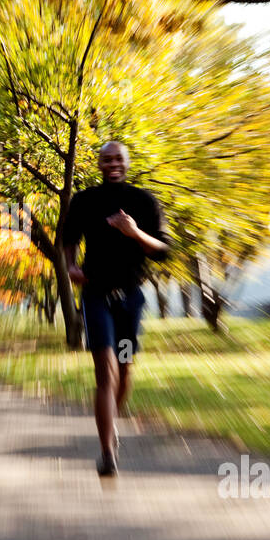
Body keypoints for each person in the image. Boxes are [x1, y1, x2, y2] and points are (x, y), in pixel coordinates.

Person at [62, 141, 170, 477]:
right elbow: (67, 239)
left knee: (124, 368)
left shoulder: (144, 201)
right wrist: (70, 266)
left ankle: (112, 423)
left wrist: (134, 231)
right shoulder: (84, 201)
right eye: (106, 159)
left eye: (118, 159)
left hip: (130, 300)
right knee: (104, 370)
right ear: (99, 164)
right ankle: (107, 452)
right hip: (96, 297)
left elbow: (163, 250)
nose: (113, 164)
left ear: (127, 162)